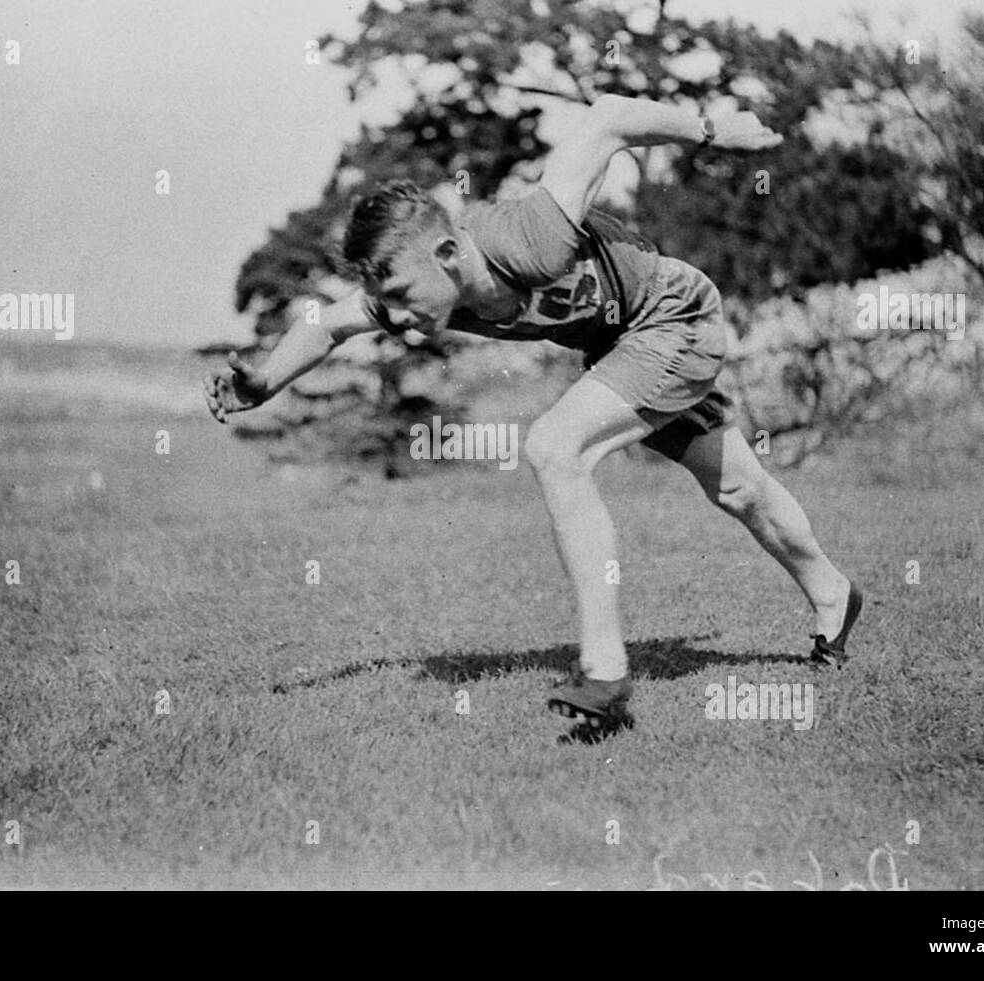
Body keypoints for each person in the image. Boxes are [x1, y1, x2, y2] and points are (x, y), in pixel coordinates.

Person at [204, 94, 862, 731]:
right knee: (741, 487)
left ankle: (604, 672)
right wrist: (264, 380)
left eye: (402, 296)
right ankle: (835, 595)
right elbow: (327, 325)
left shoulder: (529, 236)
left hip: (673, 315)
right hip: (621, 342)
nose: (398, 319)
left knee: (555, 447)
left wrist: (712, 130)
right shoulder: (427, 288)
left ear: (447, 254)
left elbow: (607, 118)